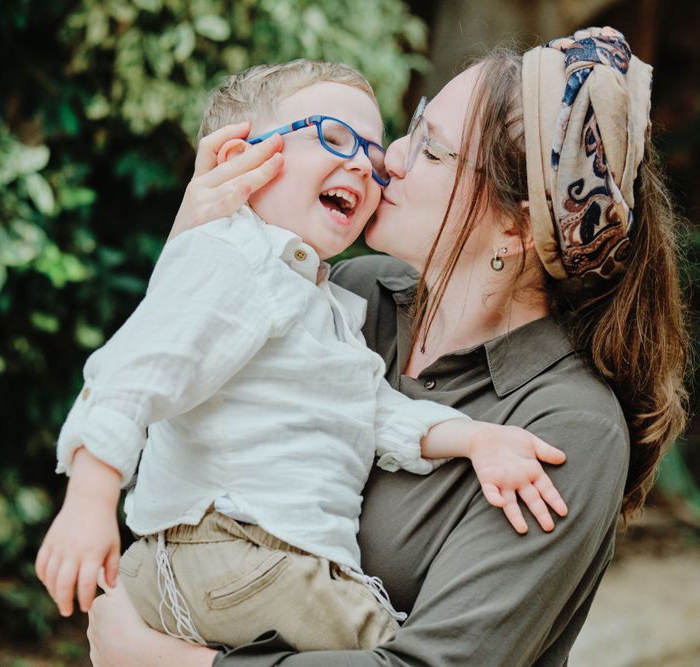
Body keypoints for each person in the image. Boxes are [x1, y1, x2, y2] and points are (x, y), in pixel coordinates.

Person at [84, 27, 689, 667]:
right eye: (415, 125)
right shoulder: (351, 292)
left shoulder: (568, 427)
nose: (388, 158)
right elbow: (168, 399)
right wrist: (201, 236)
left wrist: (163, 661)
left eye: (431, 152)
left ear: (514, 226)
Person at [34, 61, 570, 652]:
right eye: (335, 137)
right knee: (380, 650)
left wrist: (475, 440)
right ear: (241, 158)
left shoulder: (322, 299)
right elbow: (136, 370)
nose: (370, 163)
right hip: (237, 549)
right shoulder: (239, 259)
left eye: (369, 148)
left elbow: (373, 409)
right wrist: (88, 500)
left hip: (232, 561)